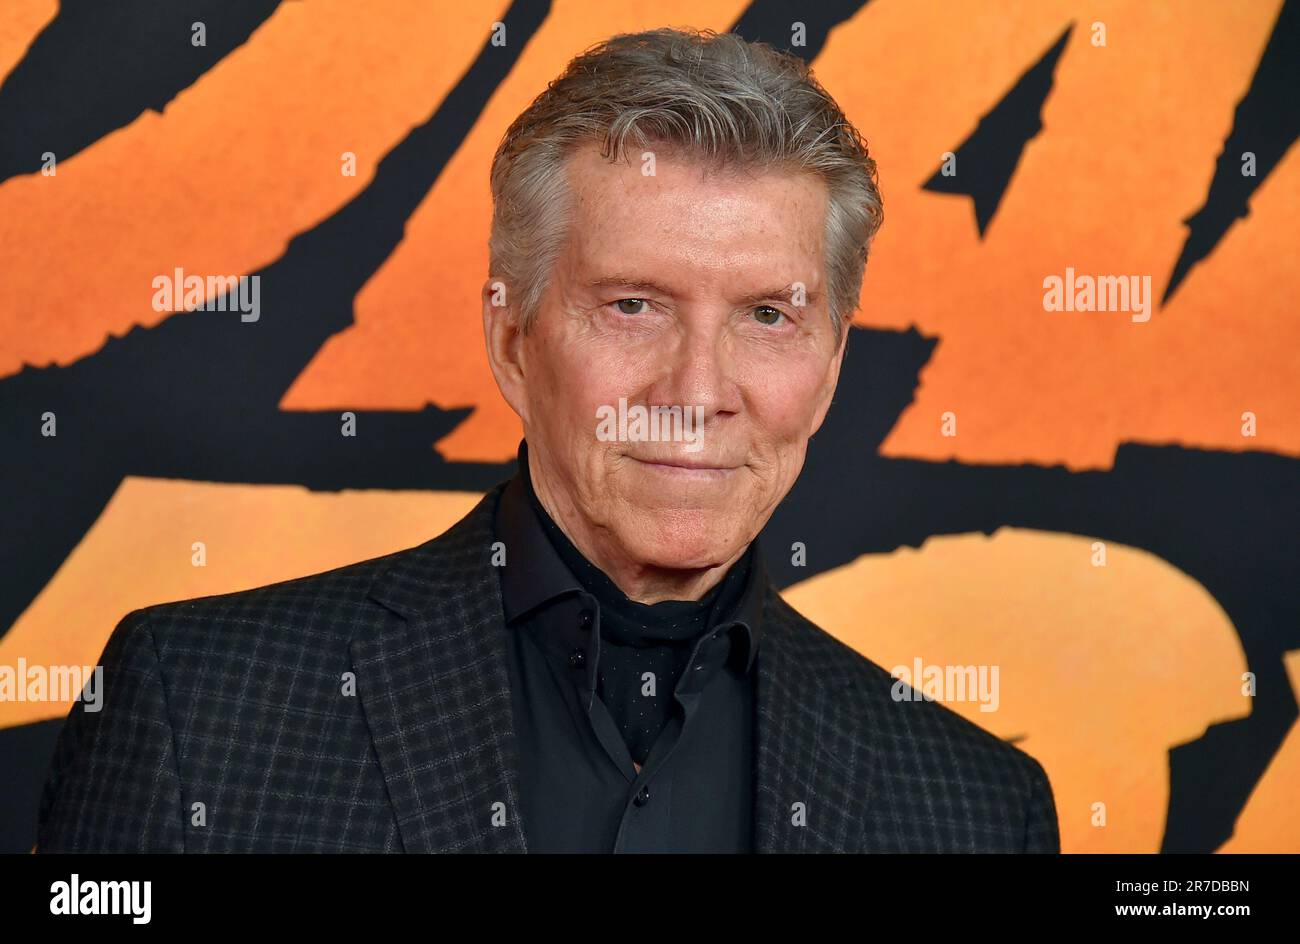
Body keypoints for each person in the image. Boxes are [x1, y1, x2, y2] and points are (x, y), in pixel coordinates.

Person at [37, 27, 1058, 853]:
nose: (696, 391)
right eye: (631, 303)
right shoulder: (200, 709)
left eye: (767, 316)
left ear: (830, 365)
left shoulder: (975, 807)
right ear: (511, 337)